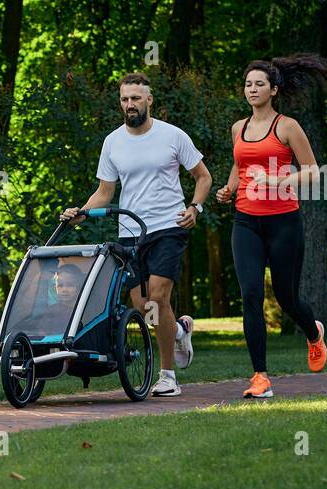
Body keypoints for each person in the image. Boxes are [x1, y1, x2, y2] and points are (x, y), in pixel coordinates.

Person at [60, 72, 211, 396]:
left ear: (149, 100)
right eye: (125, 99)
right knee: (142, 306)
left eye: (136, 98)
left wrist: (195, 208)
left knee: (158, 296)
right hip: (130, 232)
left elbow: (203, 177)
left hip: (169, 226)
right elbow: (104, 192)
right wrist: (80, 214)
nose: (130, 104)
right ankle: (181, 330)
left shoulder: (172, 136)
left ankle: (168, 376)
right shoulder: (113, 142)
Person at [214, 55, 327, 399]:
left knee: (286, 297)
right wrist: (229, 188)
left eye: (259, 84)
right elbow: (241, 165)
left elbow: (313, 171)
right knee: (250, 294)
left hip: (284, 220)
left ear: (274, 90)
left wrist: (278, 177)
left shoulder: (287, 126)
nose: (252, 89)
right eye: (248, 84)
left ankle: (313, 333)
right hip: (246, 221)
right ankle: (260, 377)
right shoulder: (239, 127)